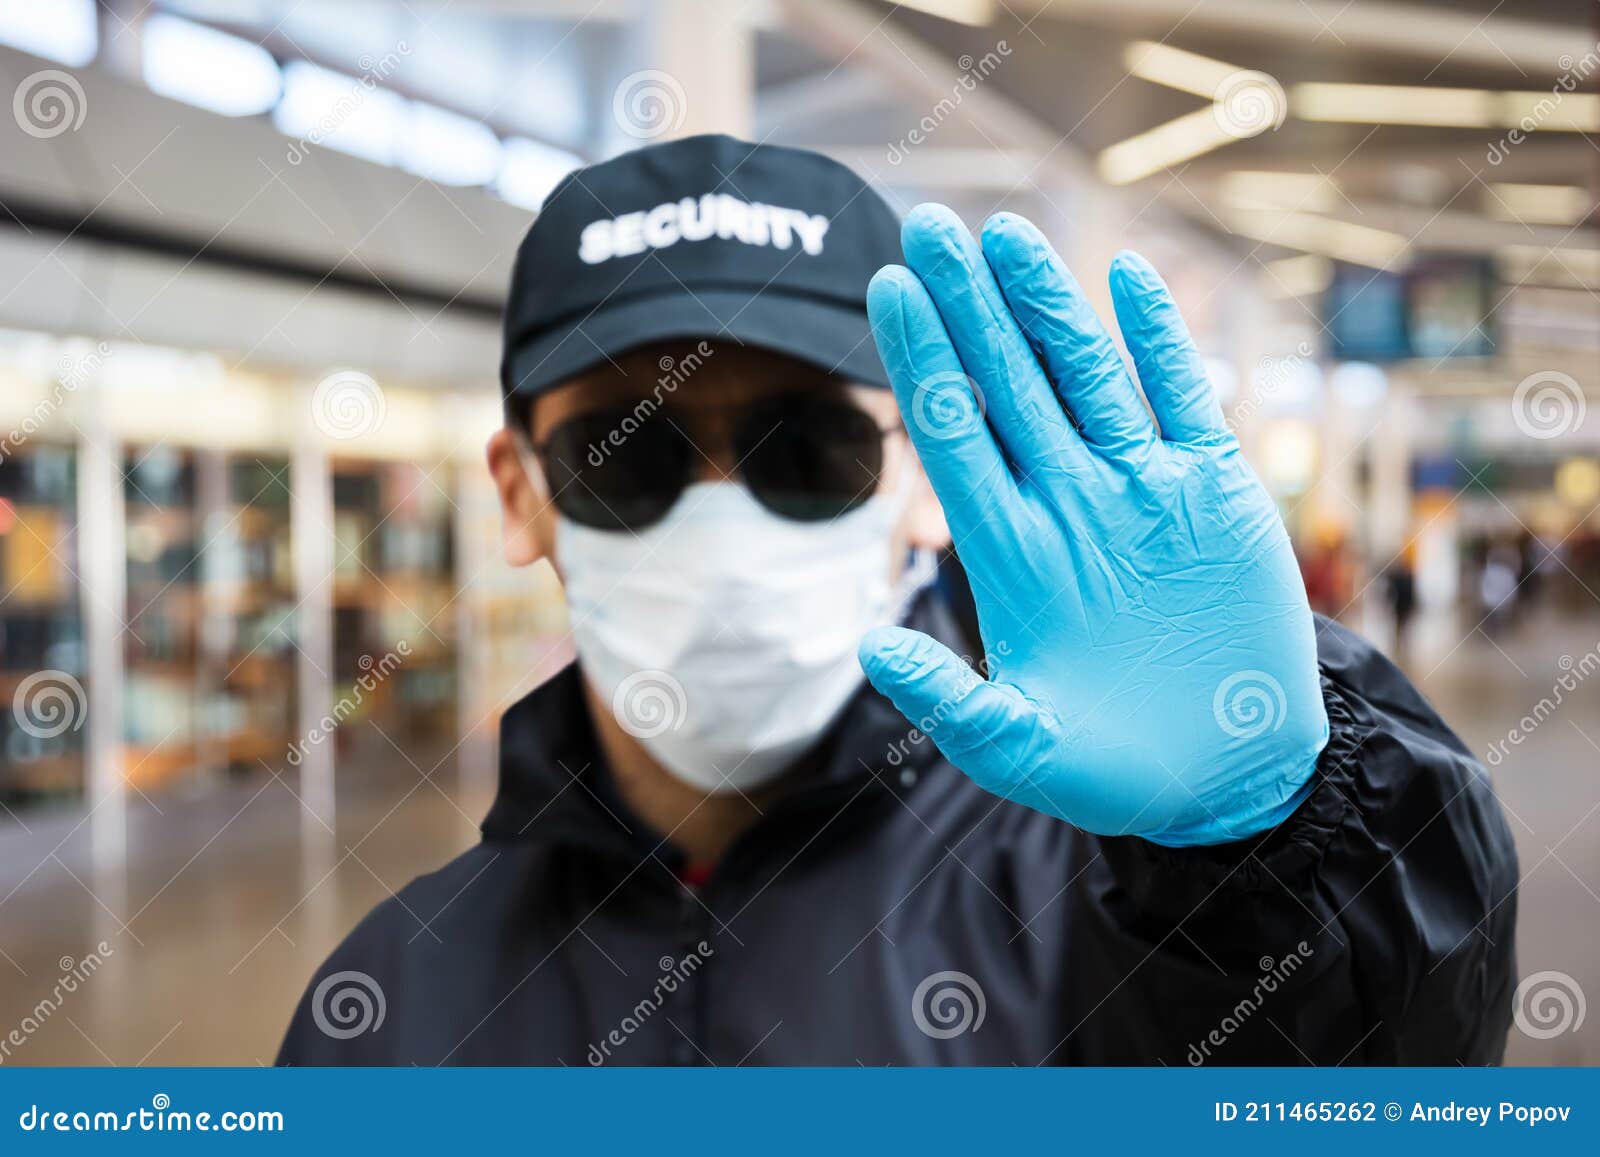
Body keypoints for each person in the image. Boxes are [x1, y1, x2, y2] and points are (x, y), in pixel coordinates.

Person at [278, 135, 1517, 1066]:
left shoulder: (1123, 906)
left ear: (923, 471)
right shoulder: (387, 1001)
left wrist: (1269, 848)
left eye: (807, 447)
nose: (724, 517)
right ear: (520, 492)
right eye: (629, 453)